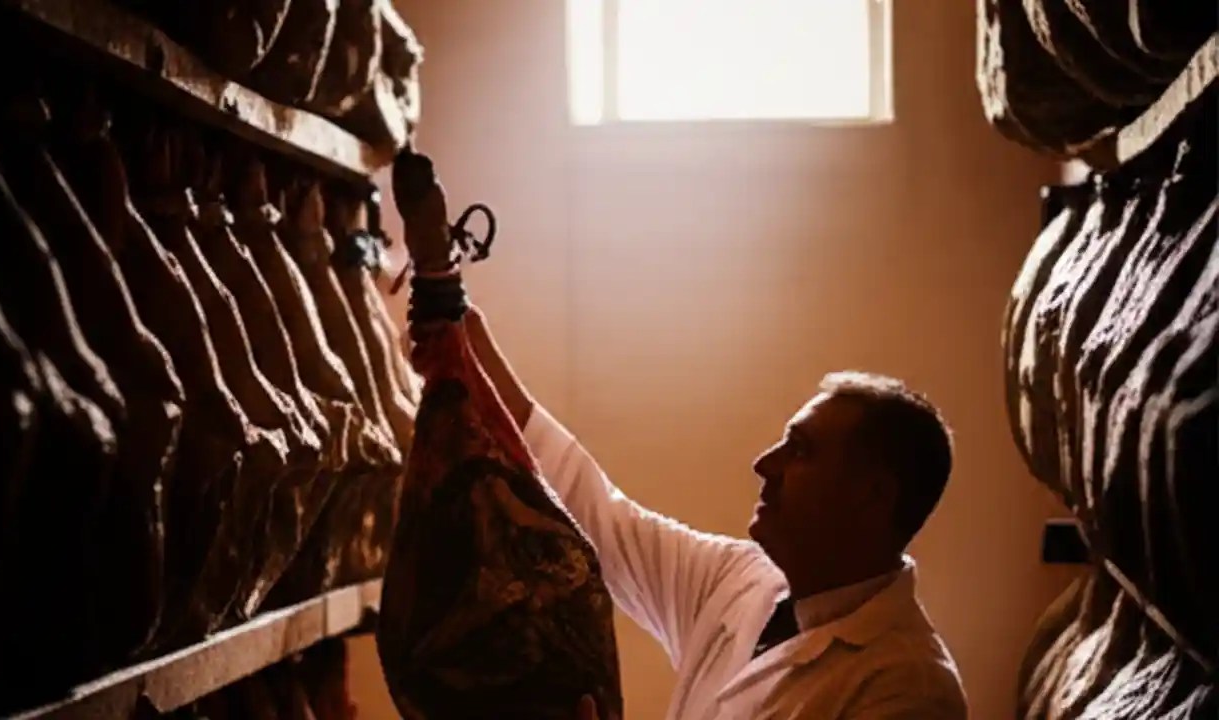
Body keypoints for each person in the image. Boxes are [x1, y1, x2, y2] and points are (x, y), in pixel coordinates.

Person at [394, 150, 969, 720]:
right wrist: (455, 323)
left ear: (872, 494)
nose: (765, 463)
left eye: (801, 451)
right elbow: (597, 517)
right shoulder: (742, 582)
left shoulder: (909, 689)